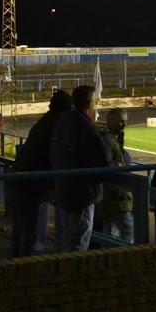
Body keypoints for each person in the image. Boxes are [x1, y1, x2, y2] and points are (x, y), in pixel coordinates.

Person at [50, 85, 113, 252]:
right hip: (81, 195)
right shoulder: (85, 127)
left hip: (63, 190)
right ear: (89, 103)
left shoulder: (62, 122)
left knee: (66, 239)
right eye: (94, 101)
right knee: (78, 243)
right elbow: (105, 160)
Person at [9, 89, 70, 257]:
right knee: (33, 235)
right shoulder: (57, 124)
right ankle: (30, 270)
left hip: (22, 180)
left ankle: (15, 268)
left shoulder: (46, 121)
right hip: (35, 185)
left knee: (21, 234)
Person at [94, 108, 135, 243]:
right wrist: (119, 167)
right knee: (126, 230)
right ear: (110, 120)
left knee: (110, 231)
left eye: (125, 122)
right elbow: (107, 165)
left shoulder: (112, 138)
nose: (124, 125)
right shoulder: (107, 140)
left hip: (113, 195)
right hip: (114, 195)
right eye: (121, 122)